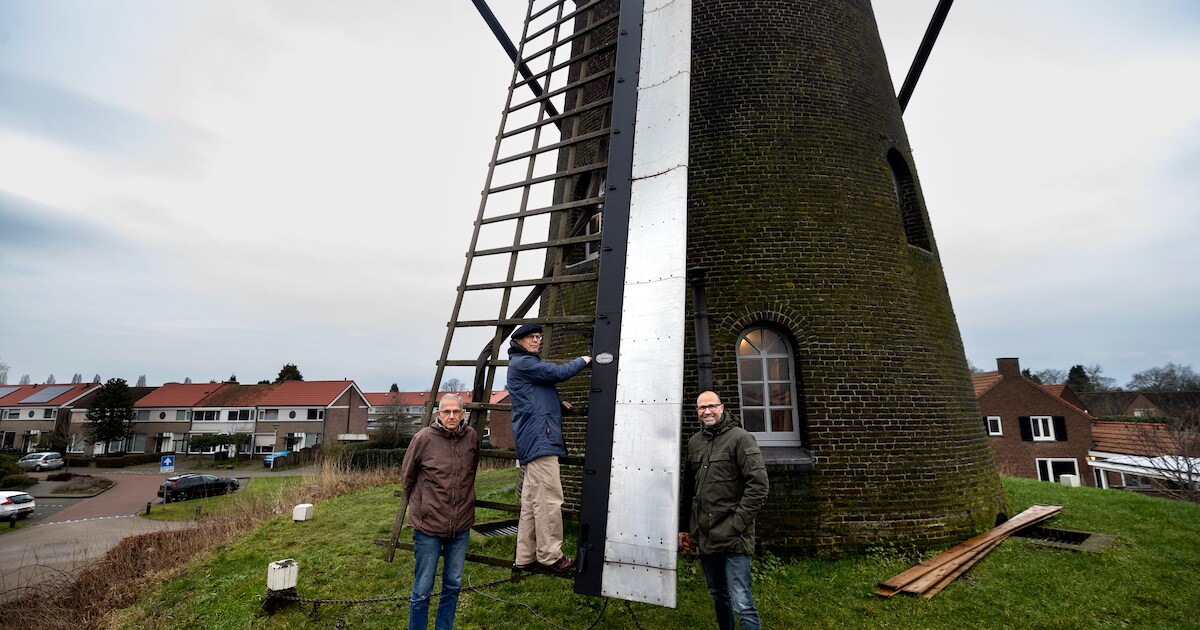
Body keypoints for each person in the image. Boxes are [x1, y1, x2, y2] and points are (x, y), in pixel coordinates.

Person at [679, 391, 769, 630]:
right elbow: (688, 489)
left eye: (711, 406)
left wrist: (737, 524)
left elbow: (758, 485)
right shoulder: (695, 442)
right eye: (701, 408)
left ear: (722, 407)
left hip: (734, 537)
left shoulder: (741, 439)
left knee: (742, 601)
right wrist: (684, 529)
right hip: (705, 536)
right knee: (719, 595)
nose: (707, 412)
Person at [506, 323, 591, 572]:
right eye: (531, 337)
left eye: (538, 337)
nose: (537, 340)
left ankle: (525, 555)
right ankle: (551, 556)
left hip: (532, 440)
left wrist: (559, 399)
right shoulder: (524, 363)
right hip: (540, 441)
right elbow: (556, 373)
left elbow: (540, 388)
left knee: (532, 502)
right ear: (519, 340)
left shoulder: (522, 365)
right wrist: (585, 359)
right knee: (550, 500)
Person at [401, 393, 480, 630]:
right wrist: (422, 508)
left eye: (456, 411)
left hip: (461, 525)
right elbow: (407, 478)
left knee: (453, 585)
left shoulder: (472, 437)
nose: (452, 416)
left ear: (463, 413)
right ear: (438, 414)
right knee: (423, 588)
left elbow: (471, 471)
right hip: (429, 526)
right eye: (447, 412)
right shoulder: (423, 438)